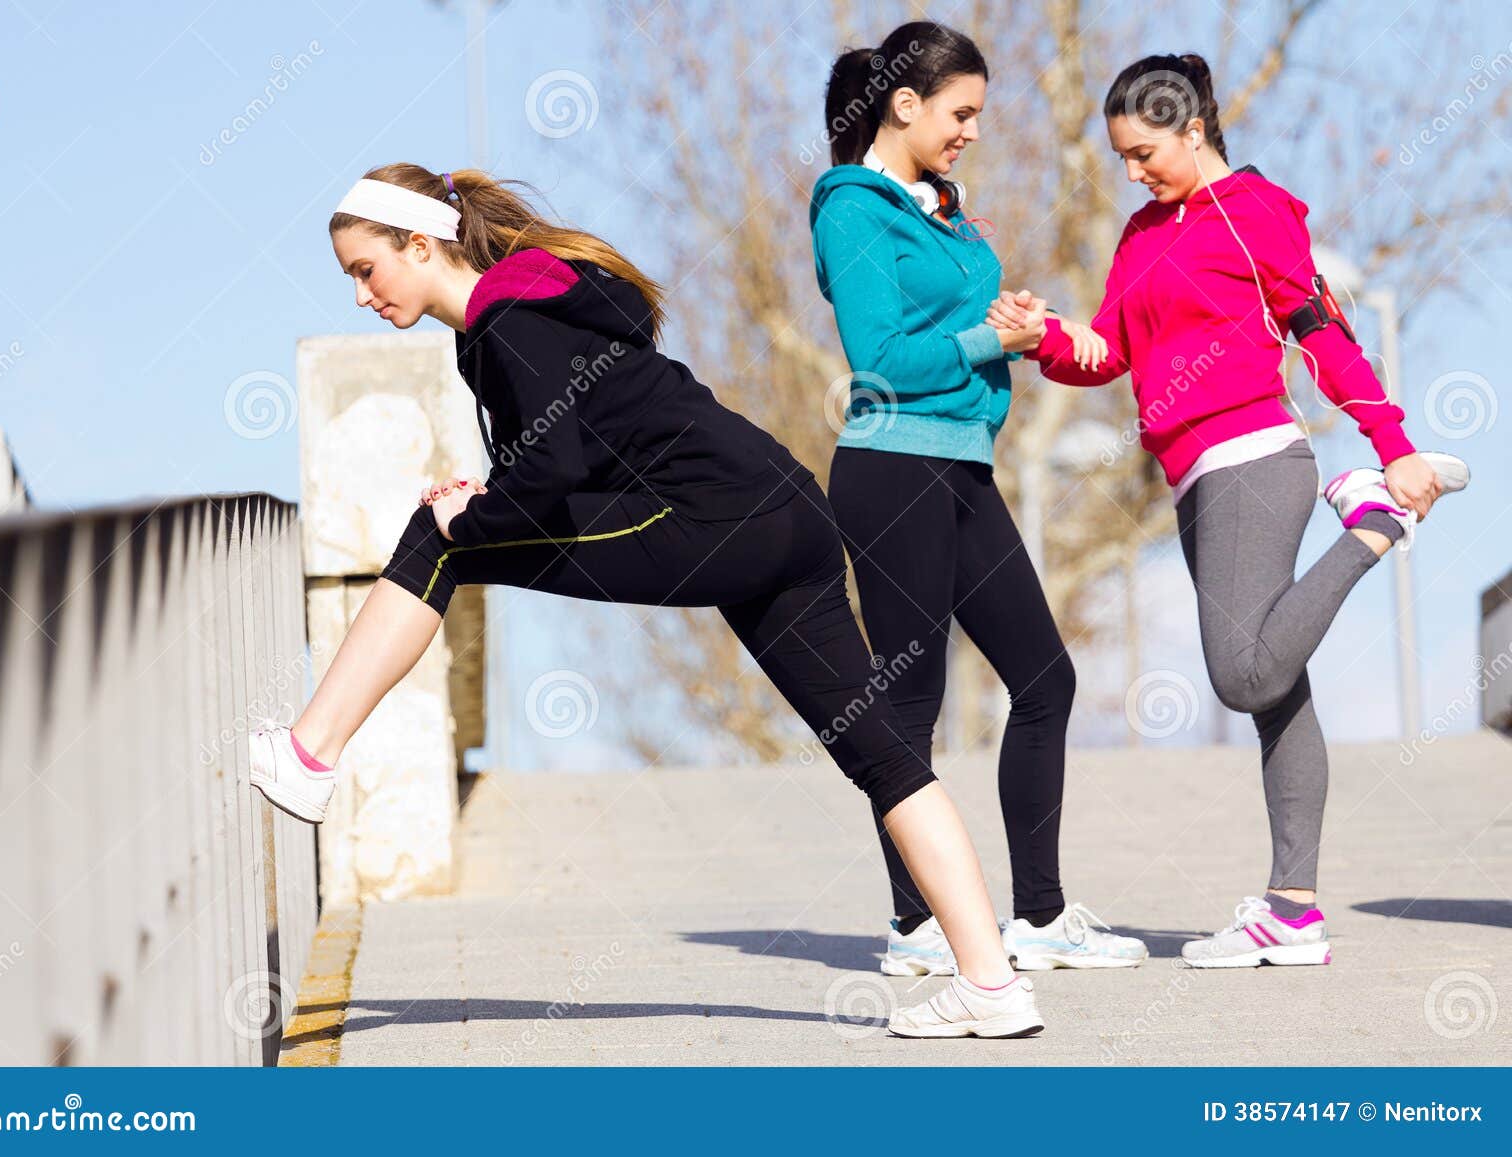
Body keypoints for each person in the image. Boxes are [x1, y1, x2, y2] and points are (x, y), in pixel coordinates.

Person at [249, 163, 1045, 1036]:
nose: (361, 295)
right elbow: (571, 454)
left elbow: (552, 474)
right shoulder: (539, 303)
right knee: (883, 757)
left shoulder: (507, 321)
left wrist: (469, 517)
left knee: (433, 541)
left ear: (421, 242)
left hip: (711, 519)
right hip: (785, 509)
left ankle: (310, 755)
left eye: (367, 270)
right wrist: (484, 502)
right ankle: (991, 982)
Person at [986, 54, 1470, 968]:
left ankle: (1372, 524)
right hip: (1192, 476)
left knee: (1243, 677)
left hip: (1255, 457)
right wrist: (1038, 336)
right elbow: (1108, 354)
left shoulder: (1257, 214)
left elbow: (1321, 332)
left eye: (1144, 152)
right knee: (1276, 689)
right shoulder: (1140, 236)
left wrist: (1393, 448)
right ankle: (1292, 910)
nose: (1133, 171)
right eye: (1122, 157)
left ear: (1194, 130)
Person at [810, 21, 1148, 975]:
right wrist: (986, 343)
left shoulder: (940, 209)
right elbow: (879, 360)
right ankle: (914, 928)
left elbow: (952, 330)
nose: (970, 131)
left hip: (961, 465)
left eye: (978, 117)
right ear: (903, 104)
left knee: (1045, 679)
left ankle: (1037, 916)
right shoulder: (850, 209)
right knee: (909, 702)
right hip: (892, 469)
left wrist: (1011, 323)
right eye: (960, 113)